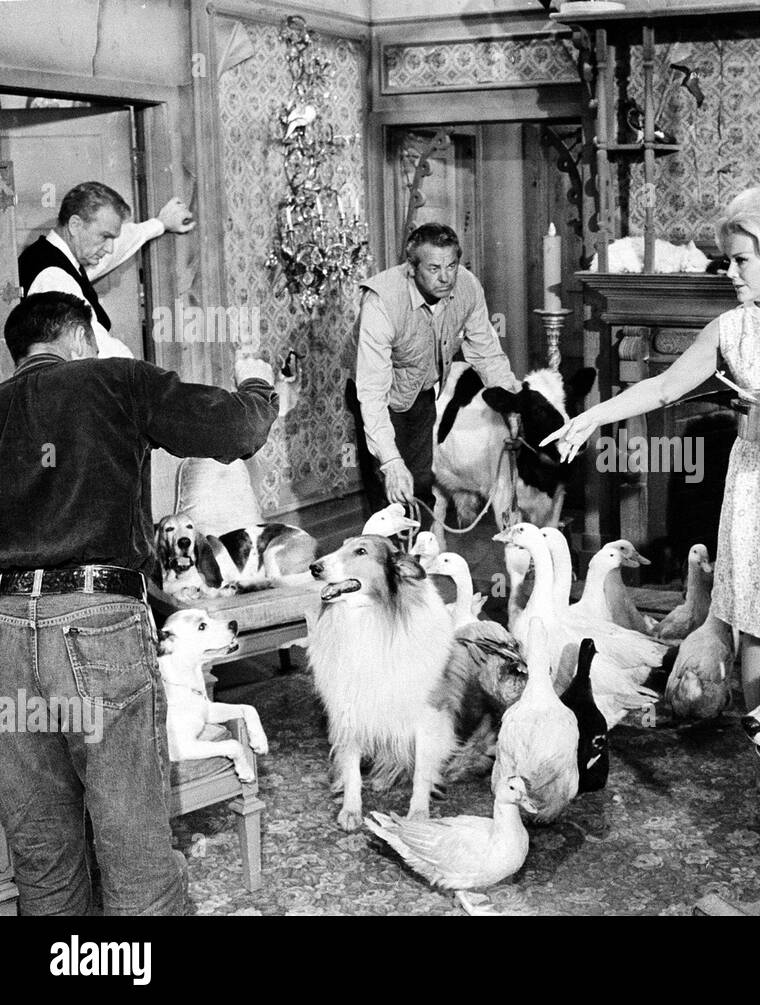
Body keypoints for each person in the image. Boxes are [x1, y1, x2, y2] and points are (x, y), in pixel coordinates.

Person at [544, 185, 760, 803]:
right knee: (757, 627)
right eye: (726, 259)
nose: (727, 271)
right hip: (759, 486)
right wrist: (592, 418)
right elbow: (664, 388)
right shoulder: (730, 328)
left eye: (739, 260)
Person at [0, 292, 279, 915]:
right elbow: (238, 428)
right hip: (96, 625)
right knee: (135, 851)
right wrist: (257, 383)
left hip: (6, 637)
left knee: (43, 856)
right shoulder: (112, 379)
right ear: (77, 341)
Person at [348, 223, 521, 511]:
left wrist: (511, 404)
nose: (445, 278)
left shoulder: (467, 286)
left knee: (420, 486)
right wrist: (390, 462)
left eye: (451, 266)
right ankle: (384, 552)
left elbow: (487, 354)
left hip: (423, 389)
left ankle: (418, 554)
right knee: (388, 491)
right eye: (434, 268)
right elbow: (372, 392)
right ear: (412, 267)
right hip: (376, 393)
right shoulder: (381, 302)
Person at [18, 181, 196, 359]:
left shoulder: (54, 256)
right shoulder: (53, 277)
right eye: (105, 236)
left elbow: (116, 249)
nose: (109, 248)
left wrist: (160, 224)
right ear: (75, 225)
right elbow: (97, 350)